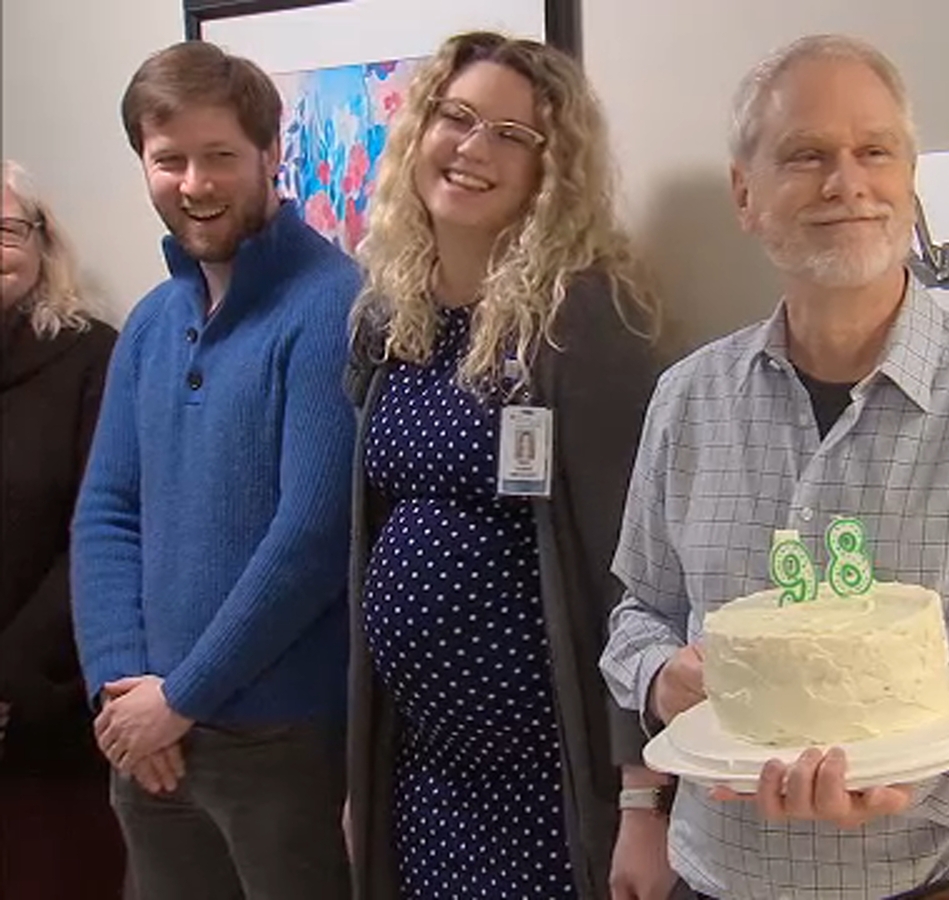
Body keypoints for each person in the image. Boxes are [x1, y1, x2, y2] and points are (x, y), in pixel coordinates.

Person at [599, 34, 949, 900]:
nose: (846, 183)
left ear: (909, 182)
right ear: (744, 193)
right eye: (806, 155)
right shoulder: (687, 398)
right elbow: (639, 613)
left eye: (875, 151)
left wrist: (902, 783)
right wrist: (658, 685)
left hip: (939, 884)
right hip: (715, 879)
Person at [343, 31, 667, 900]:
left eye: (512, 135)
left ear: (548, 169)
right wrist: (360, 775)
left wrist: (643, 799)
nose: (473, 148)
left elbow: (629, 572)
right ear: (420, 129)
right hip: (423, 770)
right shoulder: (389, 317)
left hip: (546, 779)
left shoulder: (582, 317)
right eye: (457, 117)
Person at [71, 40, 361, 900]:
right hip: (149, 740)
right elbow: (107, 515)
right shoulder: (154, 322)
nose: (194, 183)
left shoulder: (333, 302)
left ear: (271, 156)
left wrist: (182, 694)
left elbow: (310, 532)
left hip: (282, 740)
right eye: (170, 161)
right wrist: (121, 693)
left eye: (220, 157)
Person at [0, 159, 124, 900]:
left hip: (46, 720)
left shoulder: (89, 357)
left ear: (45, 244)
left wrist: (8, 681)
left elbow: (99, 528)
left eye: (7, 230)